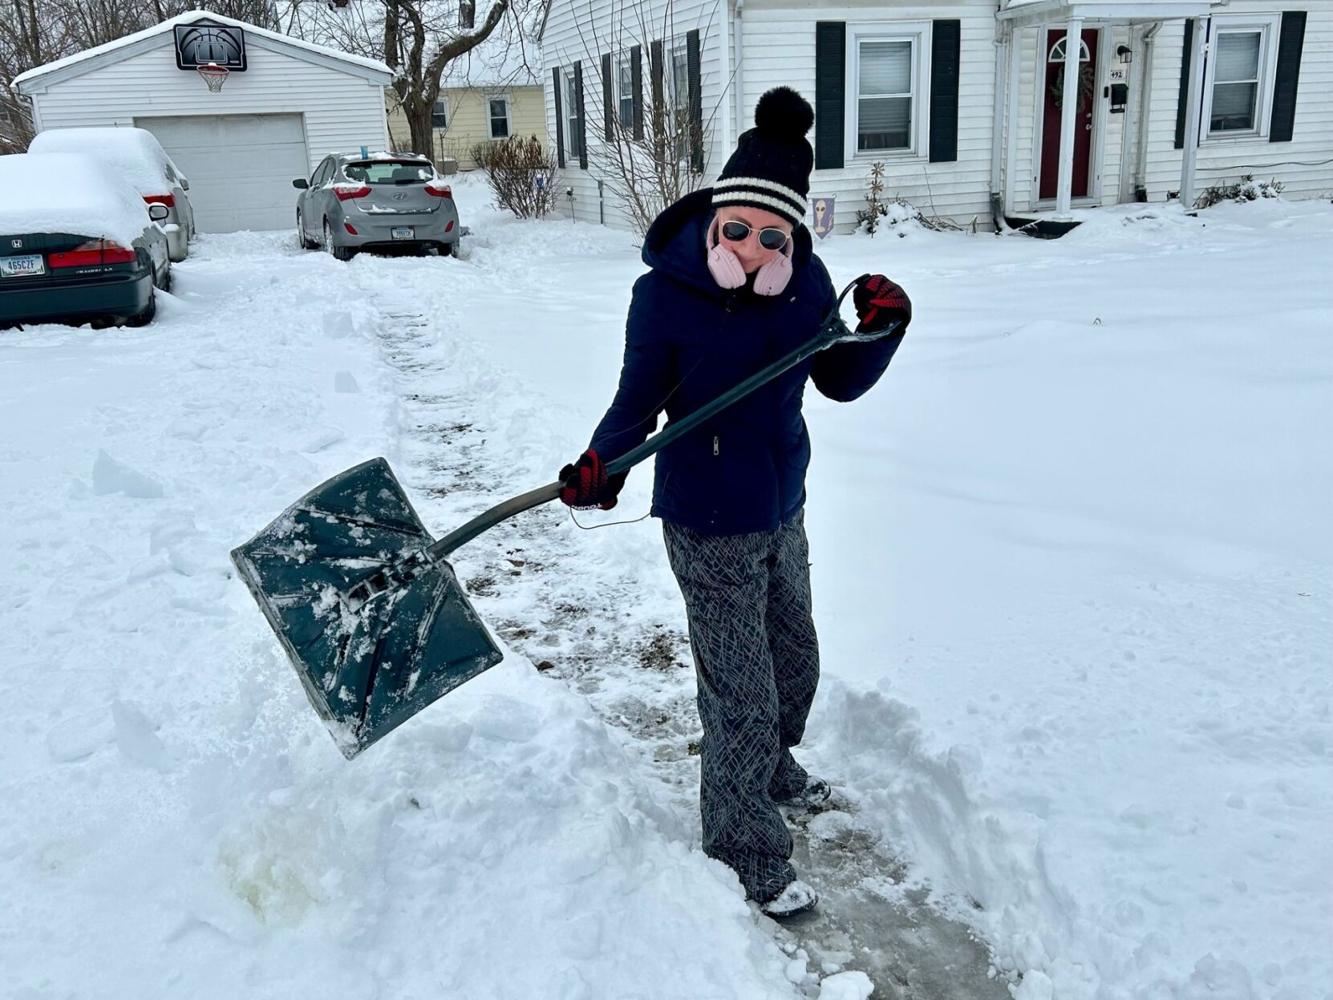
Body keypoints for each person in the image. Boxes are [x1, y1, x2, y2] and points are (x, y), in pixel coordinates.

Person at [557, 86, 912, 918]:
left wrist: (882, 330)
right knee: (739, 692)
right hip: (705, 516)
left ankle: (771, 769)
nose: (752, 249)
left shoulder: (803, 286)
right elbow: (634, 401)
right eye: (738, 230)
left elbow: (838, 378)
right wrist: (599, 465)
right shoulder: (665, 294)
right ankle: (743, 844)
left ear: (794, 237)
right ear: (714, 222)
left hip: (781, 499)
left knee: (795, 662)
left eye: (771, 236)